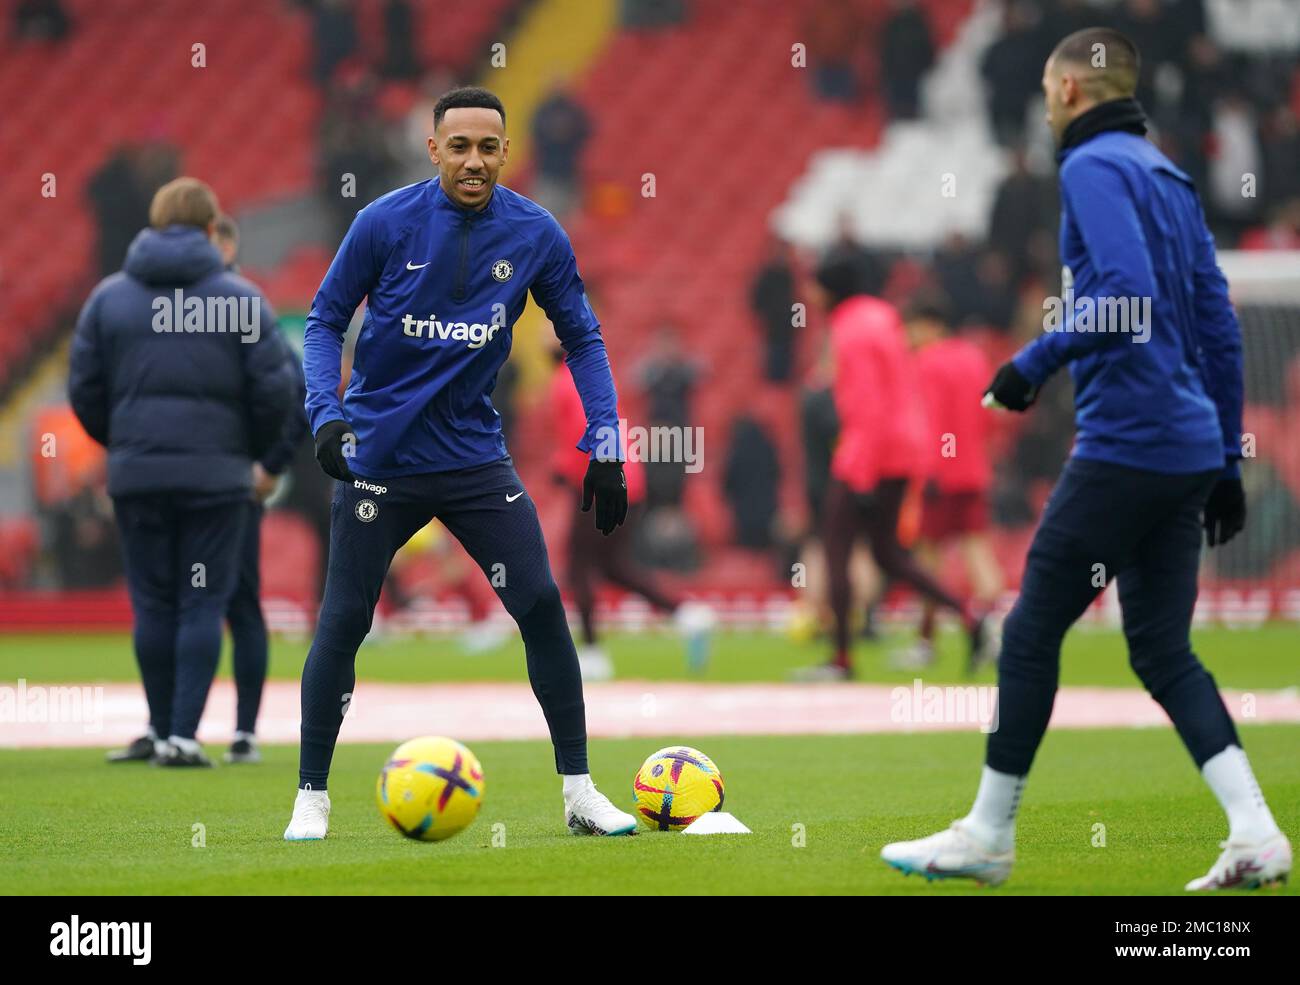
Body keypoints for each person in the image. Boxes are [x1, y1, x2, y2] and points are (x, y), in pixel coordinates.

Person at [881, 28, 1291, 891]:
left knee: (1029, 630)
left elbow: (1126, 294)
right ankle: (1255, 830)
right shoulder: (1170, 178)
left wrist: (1033, 362)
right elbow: (1217, 326)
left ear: (1069, 90)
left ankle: (988, 833)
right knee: (1160, 647)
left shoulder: (1092, 167)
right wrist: (1221, 457)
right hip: (1181, 447)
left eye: (1044, 86)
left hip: (1130, 440)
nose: (1042, 100)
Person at [284, 86, 636, 840]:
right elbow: (323, 319)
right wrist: (327, 413)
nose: (473, 160)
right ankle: (311, 795)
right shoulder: (383, 222)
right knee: (344, 619)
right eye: (460, 146)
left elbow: (583, 338)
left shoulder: (536, 233)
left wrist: (605, 442)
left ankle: (579, 792)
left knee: (541, 606)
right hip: (378, 456)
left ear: (506, 153)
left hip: (474, 458)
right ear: (434, 148)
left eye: (487, 147)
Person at [69, 178, 294, 767]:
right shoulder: (241, 299)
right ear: (209, 227)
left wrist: (125, 442)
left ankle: (159, 724)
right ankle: (182, 736)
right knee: (201, 602)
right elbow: (277, 390)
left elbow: (84, 390)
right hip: (216, 480)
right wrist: (252, 452)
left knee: (152, 603)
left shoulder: (108, 298)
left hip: (137, 476)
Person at [798, 255, 991, 681]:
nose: (808, 295)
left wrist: (861, 473)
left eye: (813, 286)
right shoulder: (883, 316)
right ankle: (971, 619)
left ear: (829, 289)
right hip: (903, 453)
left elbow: (866, 404)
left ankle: (842, 659)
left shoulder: (849, 329)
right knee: (889, 555)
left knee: (836, 548)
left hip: (870, 456)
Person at [545, 349, 712, 681]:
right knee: (612, 567)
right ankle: (687, 614)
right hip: (625, 478)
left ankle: (592, 653)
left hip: (602, 479)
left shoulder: (569, 377)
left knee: (579, 566)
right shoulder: (586, 371)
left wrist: (571, 469)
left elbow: (586, 428)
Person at [212, 215, 310, 764]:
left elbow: (291, 393)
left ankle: (181, 729)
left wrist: (270, 462)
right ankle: (186, 729)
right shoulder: (236, 307)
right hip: (227, 478)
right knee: (220, 604)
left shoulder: (238, 308)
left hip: (216, 479)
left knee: (213, 603)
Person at [894, 293, 1001, 668]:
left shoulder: (924, 363)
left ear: (928, 324)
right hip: (973, 470)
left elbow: (931, 421)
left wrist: (935, 467)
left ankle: (925, 643)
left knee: (927, 562)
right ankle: (994, 629)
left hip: (940, 474)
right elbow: (990, 415)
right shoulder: (974, 358)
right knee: (977, 550)